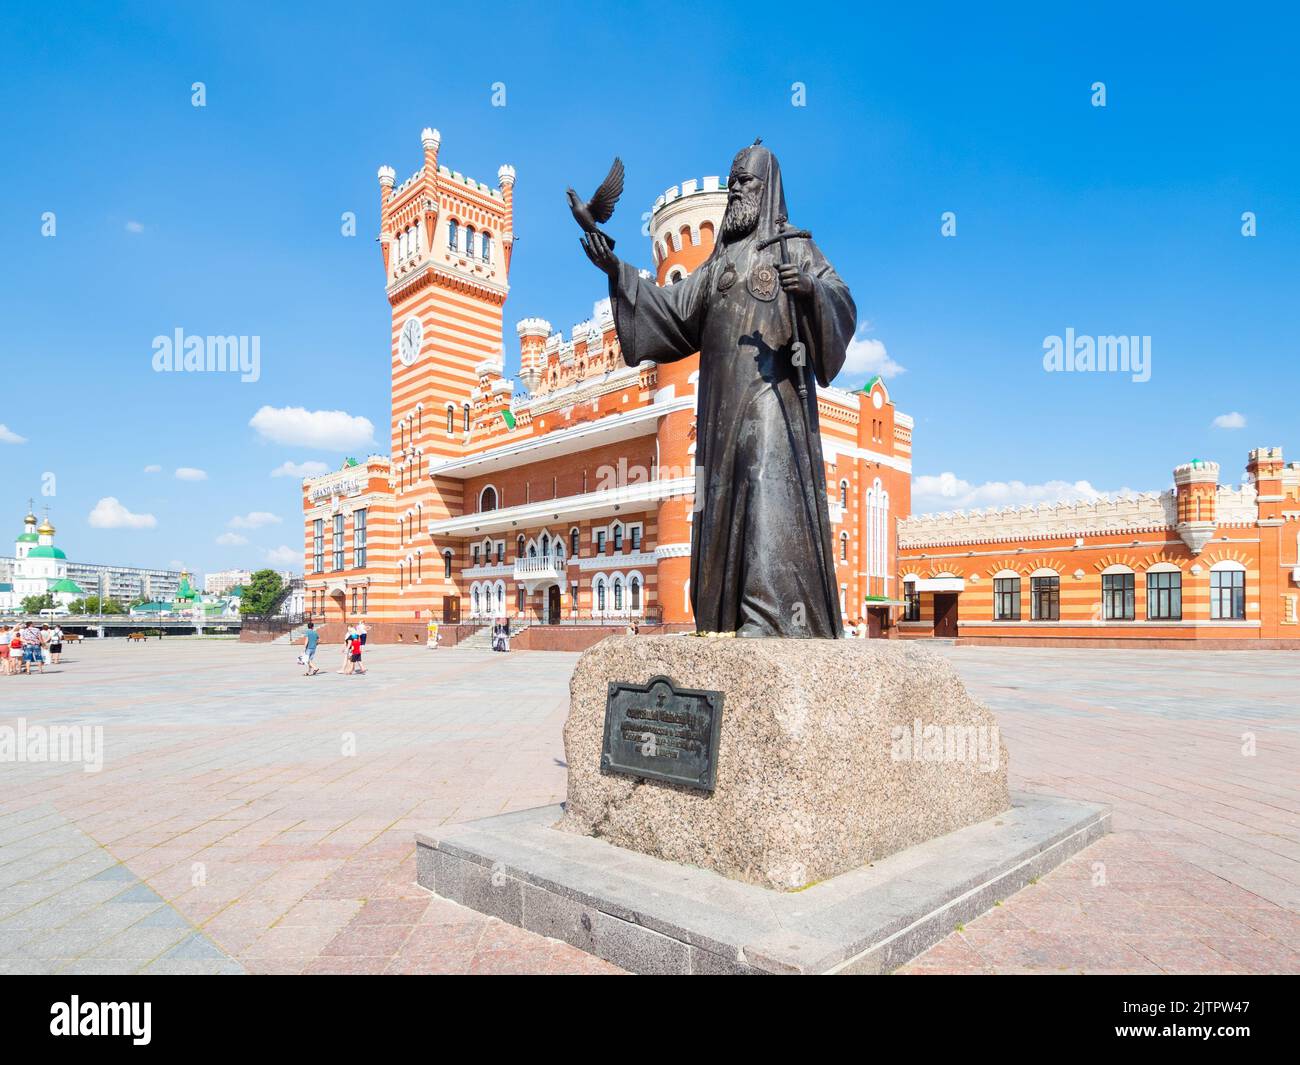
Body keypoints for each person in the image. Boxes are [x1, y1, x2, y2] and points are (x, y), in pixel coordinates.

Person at [582, 142, 856, 638]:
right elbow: (671, 310)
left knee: (765, 481)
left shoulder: (796, 247)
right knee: (723, 496)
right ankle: (724, 614)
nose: (735, 191)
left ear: (767, 186)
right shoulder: (718, 264)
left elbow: (841, 302)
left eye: (745, 182)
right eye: (732, 183)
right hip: (720, 405)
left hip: (773, 395)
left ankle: (770, 616)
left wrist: (812, 292)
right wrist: (617, 271)